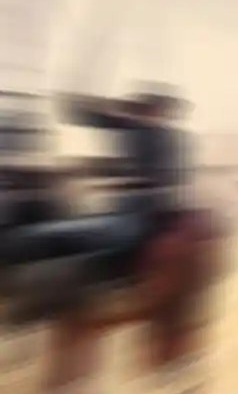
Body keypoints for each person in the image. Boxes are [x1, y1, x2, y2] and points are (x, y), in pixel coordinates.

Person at [6, 81, 190, 272]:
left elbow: (79, 112)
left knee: (38, 238)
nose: (134, 114)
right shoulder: (159, 136)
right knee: (45, 230)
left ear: (155, 110)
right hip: (133, 219)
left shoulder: (153, 133)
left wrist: (107, 105)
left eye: (142, 109)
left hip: (136, 224)